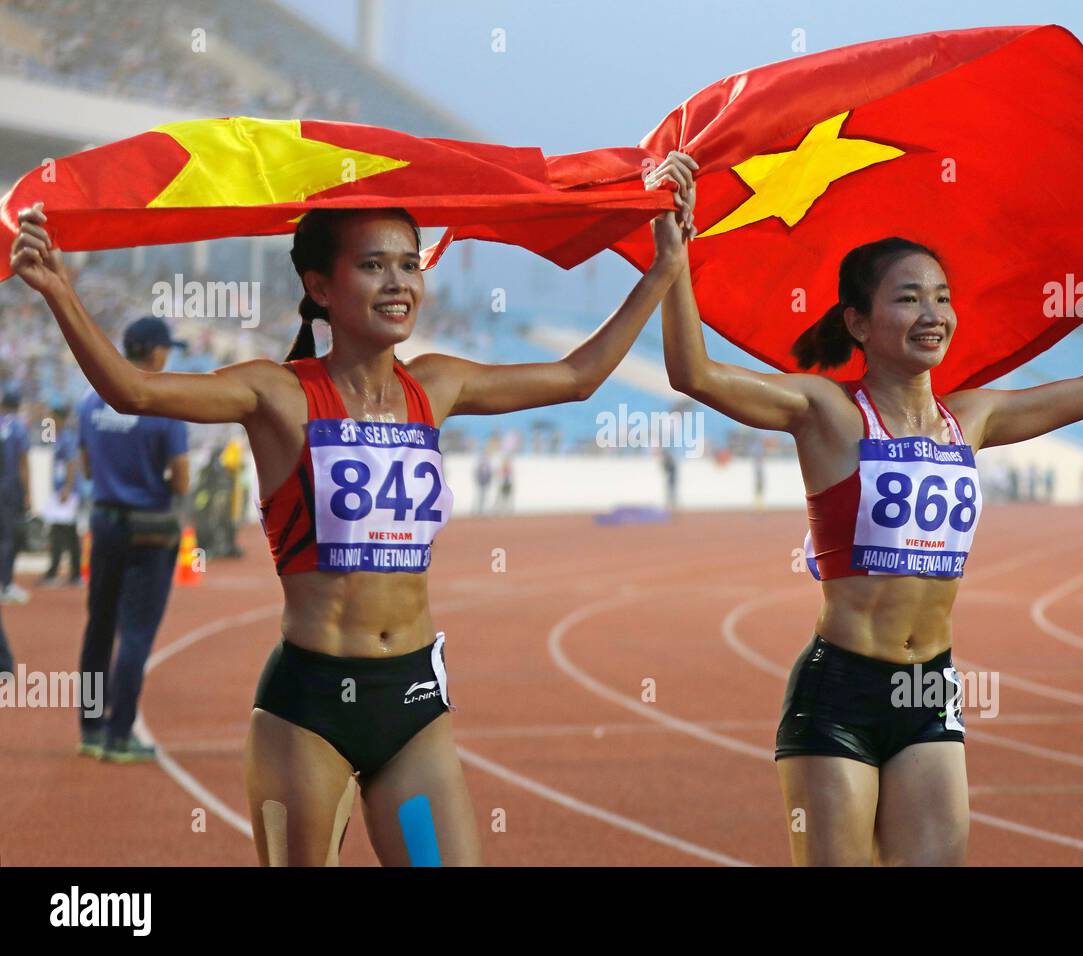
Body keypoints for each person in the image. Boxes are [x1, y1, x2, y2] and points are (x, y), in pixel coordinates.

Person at [10, 172, 691, 865]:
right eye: (373, 265)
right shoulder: (277, 394)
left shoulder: (438, 384)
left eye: (408, 263)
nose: (399, 283)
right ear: (321, 287)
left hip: (414, 703)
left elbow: (577, 377)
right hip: (309, 711)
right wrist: (60, 290)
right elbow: (133, 389)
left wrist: (664, 268)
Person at [653, 151, 1083, 865]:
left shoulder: (973, 419)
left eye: (942, 296)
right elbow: (694, 373)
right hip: (839, 695)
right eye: (909, 298)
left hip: (929, 689)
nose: (933, 313)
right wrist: (672, 261)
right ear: (858, 324)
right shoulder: (829, 413)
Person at [73, 316, 190, 763]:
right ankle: (121, 732)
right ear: (156, 352)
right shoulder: (163, 404)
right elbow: (180, 480)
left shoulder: (90, 400)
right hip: (150, 527)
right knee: (136, 632)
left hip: (104, 522)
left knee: (98, 626)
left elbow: (86, 467)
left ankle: (90, 727)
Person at [39, 403, 83, 587]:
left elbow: (71, 464)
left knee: (62, 532)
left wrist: (67, 487)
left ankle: (58, 571)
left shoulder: (68, 438)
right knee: (66, 531)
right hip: (59, 491)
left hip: (66, 492)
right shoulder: (57, 437)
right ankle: (73, 573)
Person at [0, 387, 31, 606]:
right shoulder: (19, 427)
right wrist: (28, 493)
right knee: (7, 538)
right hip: (9, 489)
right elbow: (23, 464)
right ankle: (6, 584)